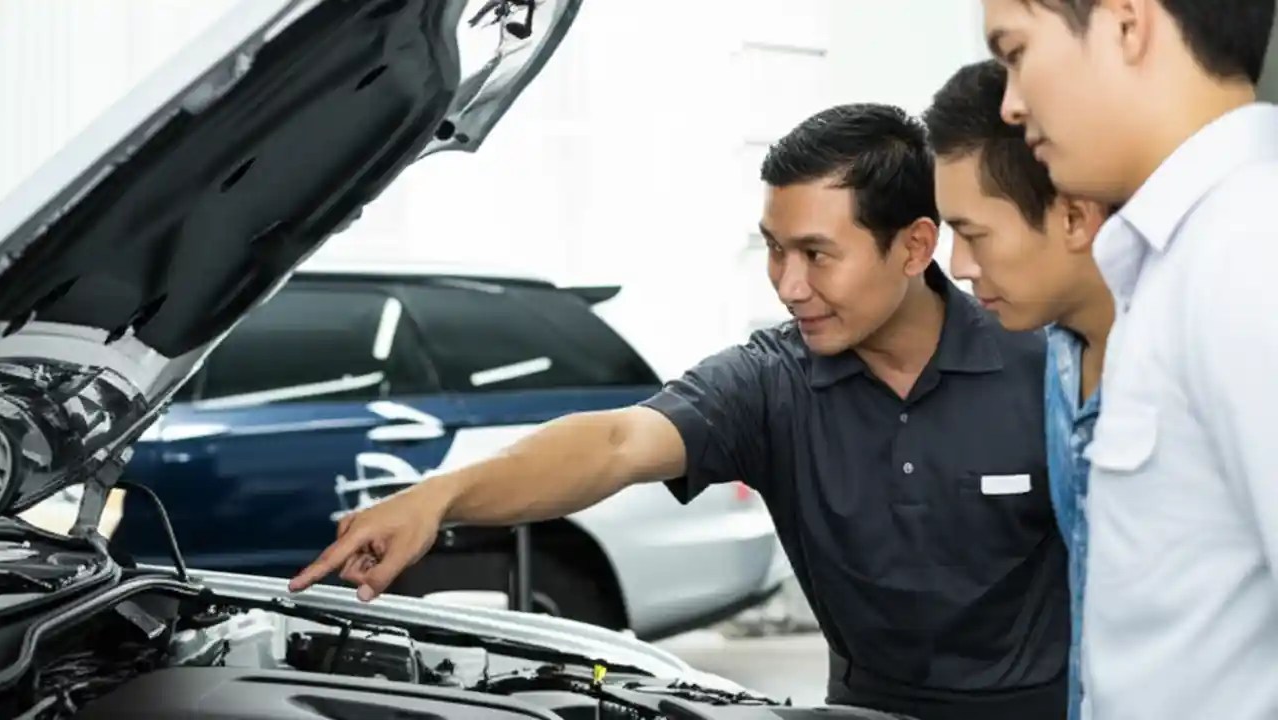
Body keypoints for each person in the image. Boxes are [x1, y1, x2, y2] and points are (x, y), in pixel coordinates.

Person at [289, 103, 1071, 720]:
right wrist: (442, 496)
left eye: (817, 254)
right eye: (773, 248)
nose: (787, 284)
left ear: (912, 246)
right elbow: (618, 442)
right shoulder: (773, 382)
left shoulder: (1046, 364)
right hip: (862, 713)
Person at [979, 0, 1278, 717]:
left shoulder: (1247, 254)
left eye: (1015, 53)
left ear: (1125, 22)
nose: (1012, 105)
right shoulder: (1183, 256)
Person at [921, 58, 1114, 720]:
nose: (958, 267)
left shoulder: (1204, 345)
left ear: (1072, 215)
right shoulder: (1060, 359)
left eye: (973, 234)